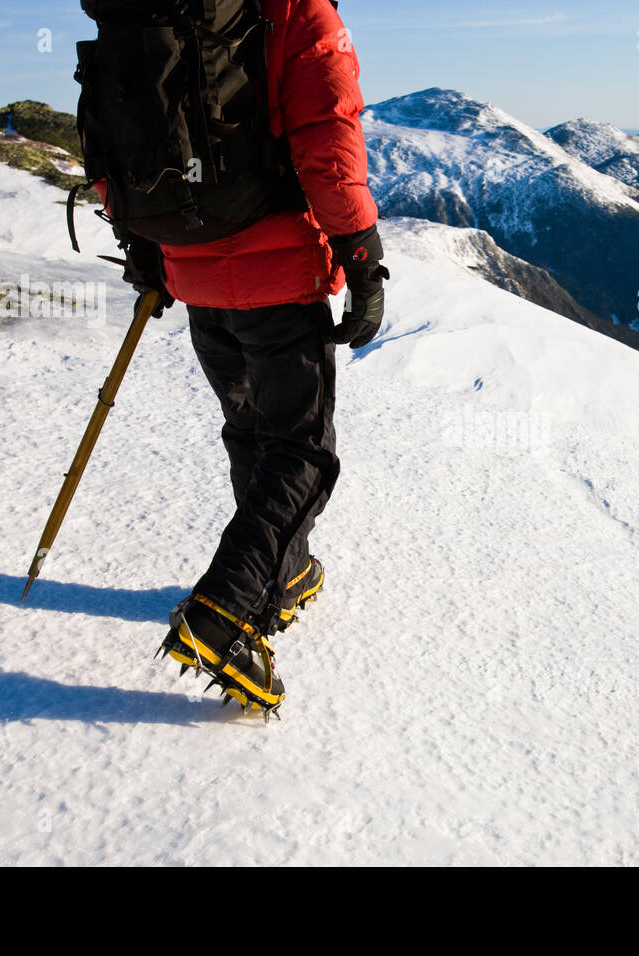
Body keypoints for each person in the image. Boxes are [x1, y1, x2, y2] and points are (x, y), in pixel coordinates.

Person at [107, 0, 386, 714]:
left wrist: (144, 246)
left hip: (192, 266)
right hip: (277, 276)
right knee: (301, 453)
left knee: (250, 432)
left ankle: (285, 575)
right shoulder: (296, 11)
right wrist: (360, 252)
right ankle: (224, 614)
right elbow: (327, 139)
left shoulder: (149, 14)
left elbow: (109, 132)